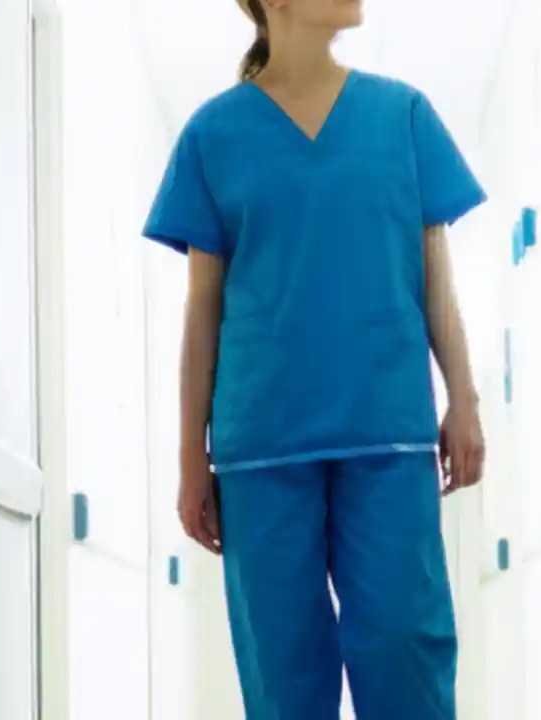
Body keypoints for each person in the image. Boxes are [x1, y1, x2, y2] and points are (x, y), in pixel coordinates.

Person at [142, 0, 486, 717]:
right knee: (283, 678)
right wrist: (187, 458)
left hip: (388, 435)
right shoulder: (214, 135)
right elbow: (203, 311)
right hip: (261, 450)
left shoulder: (404, 117)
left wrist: (464, 397)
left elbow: (436, 279)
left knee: (405, 653)